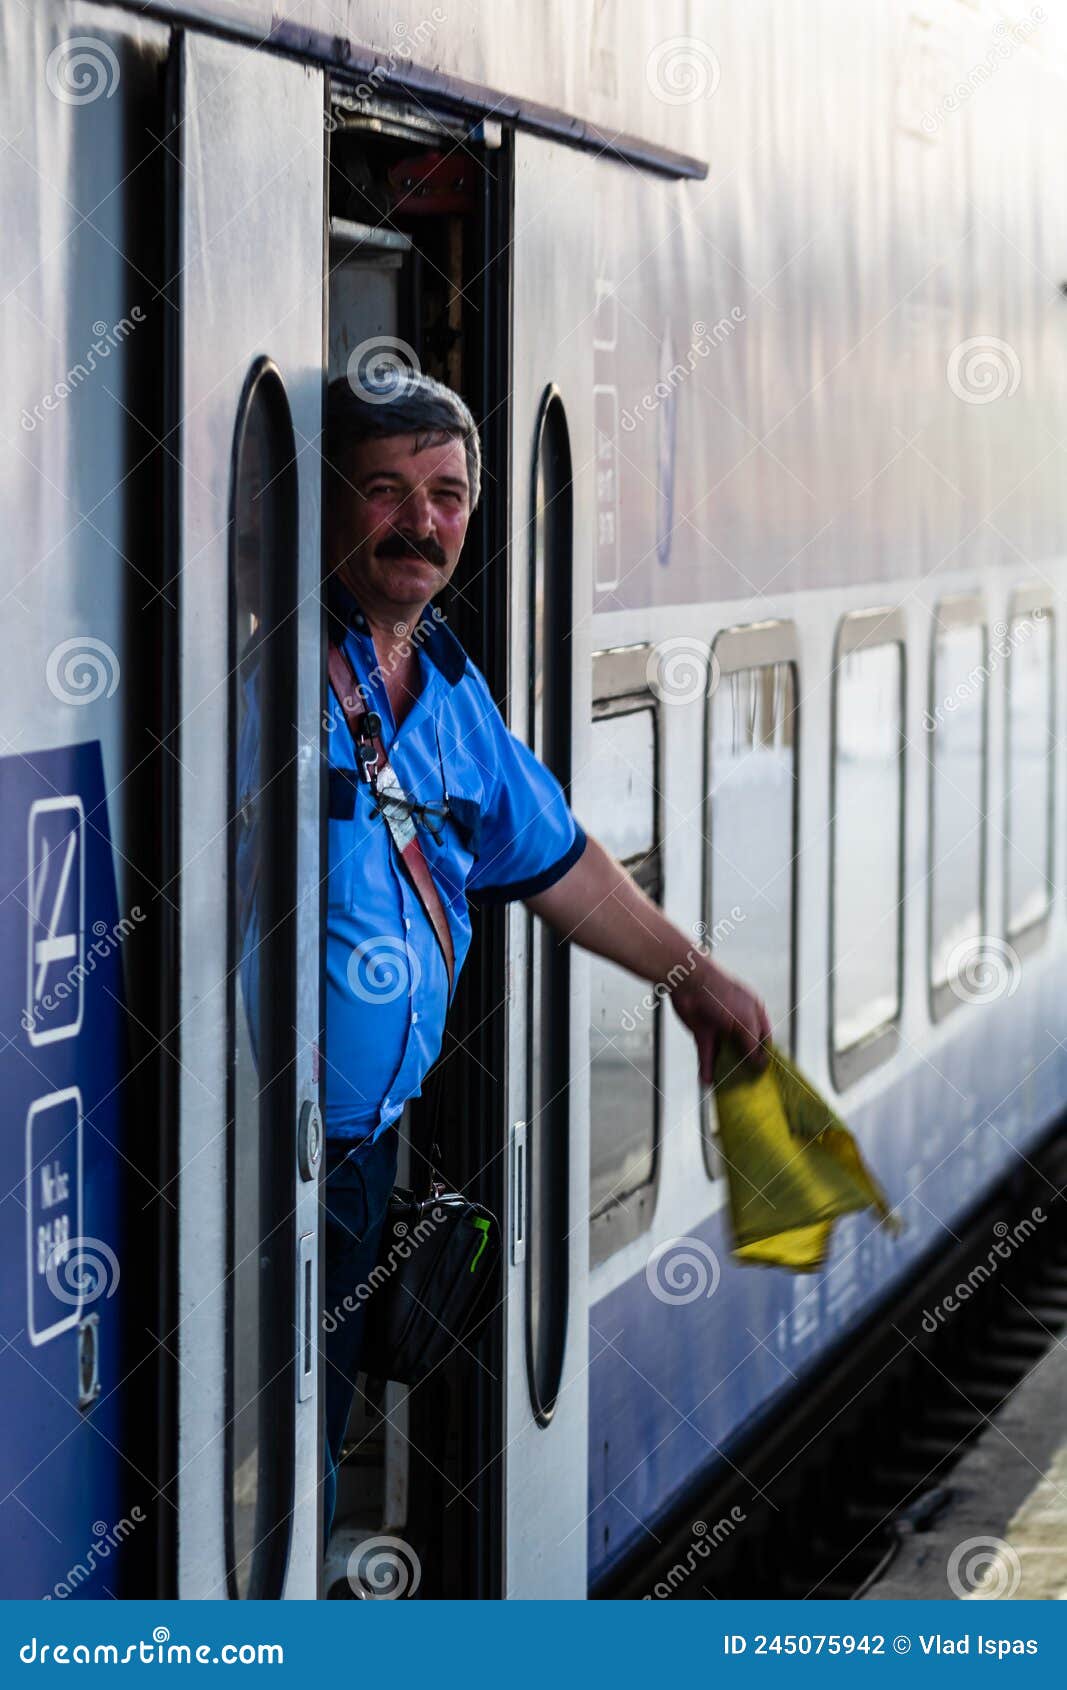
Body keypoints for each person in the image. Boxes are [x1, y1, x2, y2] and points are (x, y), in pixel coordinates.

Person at [320, 371, 771, 1540]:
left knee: (314, 1448)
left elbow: (557, 862)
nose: (421, 523)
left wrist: (690, 978)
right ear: (323, 498)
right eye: (383, 491)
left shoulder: (451, 687)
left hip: (360, 1166)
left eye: (447, 494)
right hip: (261, 1164)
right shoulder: (267, 673)